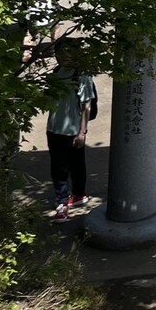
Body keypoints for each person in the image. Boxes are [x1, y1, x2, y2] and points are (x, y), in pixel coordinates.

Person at [46, 39, 95, 221]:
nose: (64, 56)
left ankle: (74, 197)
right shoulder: (56, 73)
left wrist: (82, 132)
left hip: (73, 130)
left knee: (75, 166)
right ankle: (63, 200)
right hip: (54, 128)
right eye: (60, 52)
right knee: (59, 168)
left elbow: (86, 106)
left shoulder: (82, 76)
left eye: (69, 52)